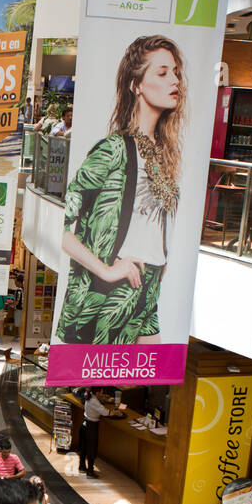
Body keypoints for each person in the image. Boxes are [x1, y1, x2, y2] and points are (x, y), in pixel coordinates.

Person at [56, 35, 186, 346]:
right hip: (110, 289)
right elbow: (63, 229)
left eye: (177, 72)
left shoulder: (166, 154)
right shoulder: (114, 149)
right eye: (163, 72)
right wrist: (106, 270)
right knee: (90, 375)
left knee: (140, 380)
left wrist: (162, 265)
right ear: (136, 84)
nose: (175, 81)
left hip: (149, 285)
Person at [78, 389, 111, 479]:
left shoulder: (89, 395)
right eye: (101, 392)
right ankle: (90, 471)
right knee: (91, 448)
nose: (102, 394)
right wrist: (113, 412)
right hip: (91, 426)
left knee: (84, 447)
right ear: (97, 393)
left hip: (85, 424)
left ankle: (82, 466)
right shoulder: (94, 401)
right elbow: (105, 412)